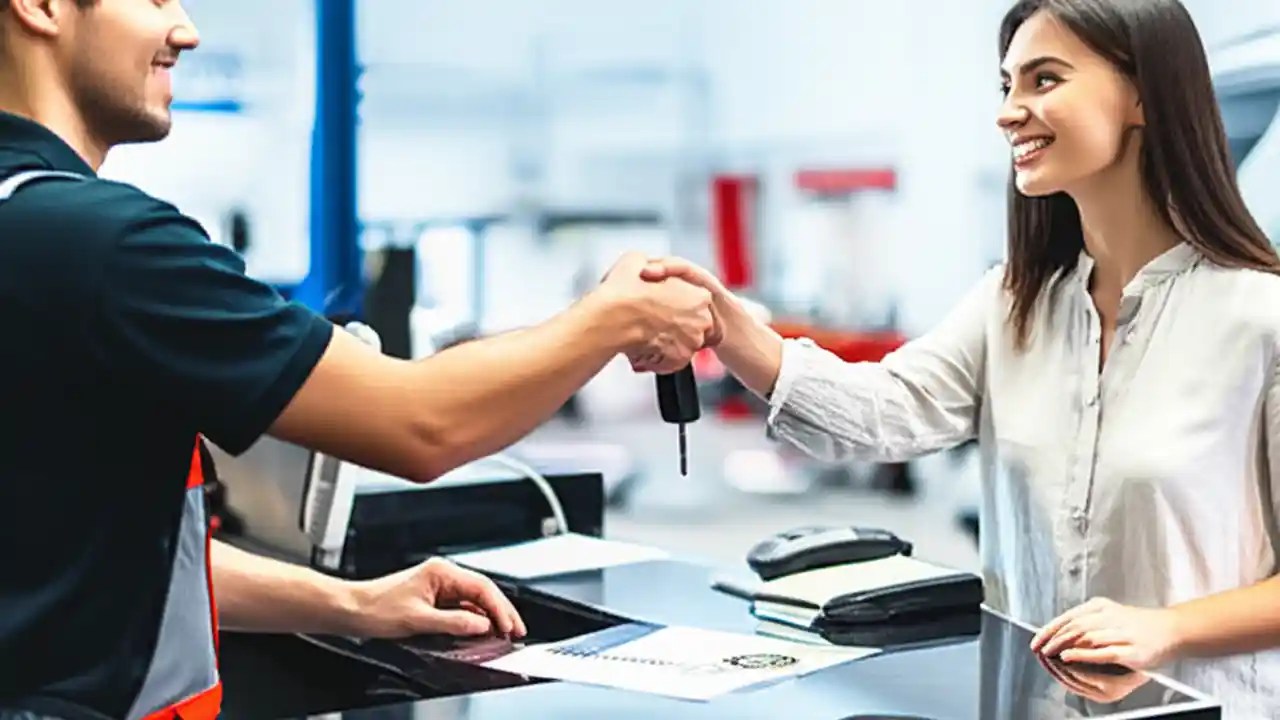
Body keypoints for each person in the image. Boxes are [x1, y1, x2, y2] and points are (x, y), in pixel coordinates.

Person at [0, 1, 718, 718]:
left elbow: (87, 557)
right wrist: (617, 318)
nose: (186, 29)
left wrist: (354, 603)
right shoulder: (102, 243)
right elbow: (422, 424)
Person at [640, 0, 1280, 712]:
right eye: (1006, 85)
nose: (1010, 111)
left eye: (1044, 79)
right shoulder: (1012, 304)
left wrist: (1165, 630)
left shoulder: (1260, 320)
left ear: (1140, 94)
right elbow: (880, 415)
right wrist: (730, 327)